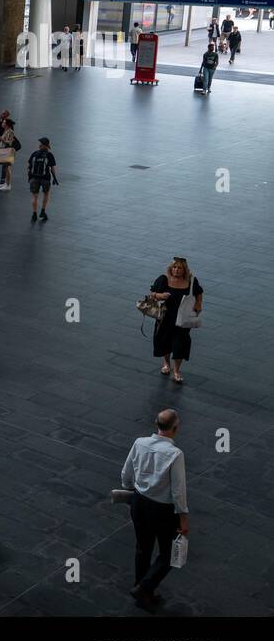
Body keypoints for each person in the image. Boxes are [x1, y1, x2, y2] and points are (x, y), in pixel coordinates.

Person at [121, 409, 189, 607]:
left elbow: (126, 473)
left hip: (139, 503)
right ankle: (144, 588)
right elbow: (178, 491)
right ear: (175, 429)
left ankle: (141, 588)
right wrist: (184, 517)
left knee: (143, 548)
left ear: (156, 424)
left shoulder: (139, 442)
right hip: (163, 511)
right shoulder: (175, 454)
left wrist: (129, 489)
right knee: (169, 554)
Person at [149, 257, 203, 385]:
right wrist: (159, 295)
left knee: (180, 344)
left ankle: (177, 371)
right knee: (164, 342)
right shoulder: (164, 279)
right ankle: (167, 364)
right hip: (165, 318)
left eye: (179, 268)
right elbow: (152, 293)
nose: (176, 270)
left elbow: (199, 292)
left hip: (183, 318)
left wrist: (199, 304)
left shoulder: (191, 280)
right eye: (174, 267)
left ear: (184, 269)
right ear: (171, 268)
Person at [26, 137, 59, 223]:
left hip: (34, 177)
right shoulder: (49, 155)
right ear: (47, 146)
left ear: (41, 145)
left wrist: (29, 177)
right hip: (45, 178)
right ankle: (43, 211)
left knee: (34, 197)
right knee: (46, 194)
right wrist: (54, 178)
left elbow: (28, 166)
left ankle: (34, 214)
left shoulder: (34, 153)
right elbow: (53, 168)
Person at [0, 119, 20, 191]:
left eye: (4, 122)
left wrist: (1, 139)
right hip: (5, 151)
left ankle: (8, 185)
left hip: (8, 152)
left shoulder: (10, 131)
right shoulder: (6, 131)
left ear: (7, 124)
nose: (2, 123)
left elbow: (9, 142)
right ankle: (6, 183)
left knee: (8, 168)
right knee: (6, 168)